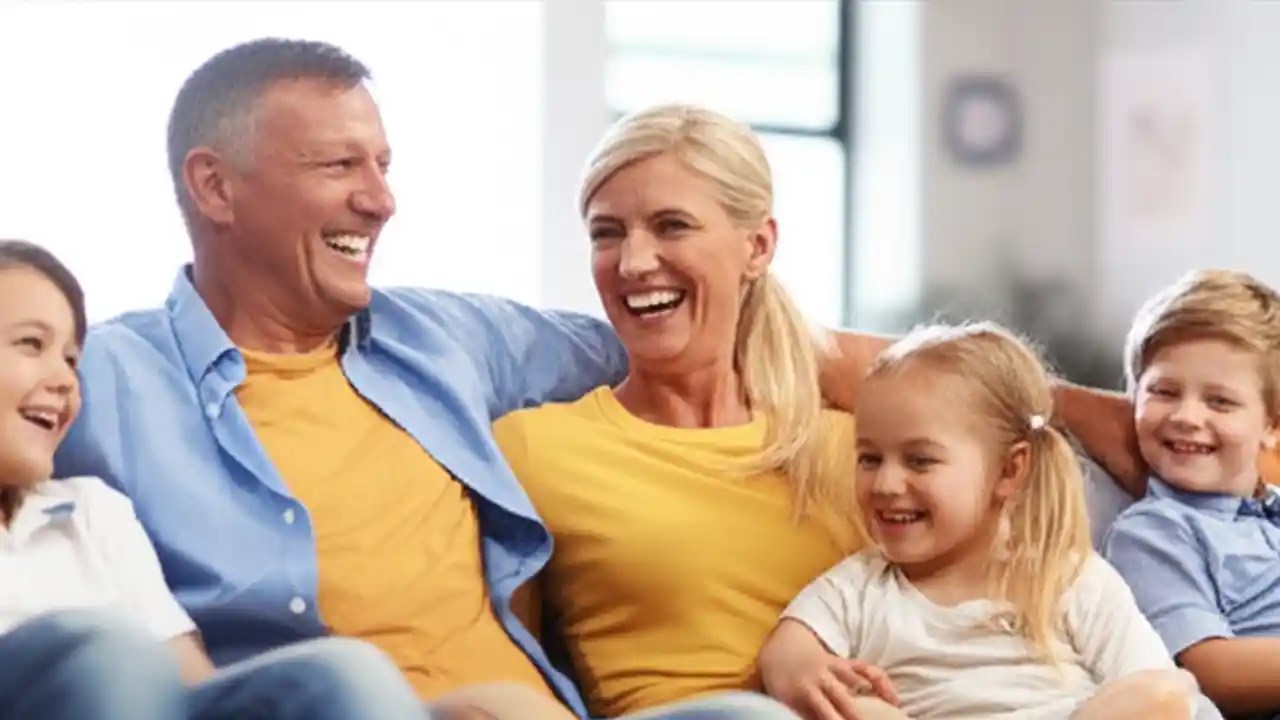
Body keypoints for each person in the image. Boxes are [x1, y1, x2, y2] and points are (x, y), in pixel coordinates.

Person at [52, 36, 1139, 719]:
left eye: (384, 166)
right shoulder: (102, 379)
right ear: (216, 186)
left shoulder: (442, 344)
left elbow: (722, 335)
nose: (382, 201)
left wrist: (1079, 410)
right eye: (340, 166)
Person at [492, 103, 862, 718]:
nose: (634, 263)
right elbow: (506, 661)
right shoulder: (536, 450)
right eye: (607, 233)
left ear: (758, 246)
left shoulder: (852, 450)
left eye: (671, 226)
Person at [0, 239, 425, 720]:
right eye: (31, 344)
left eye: (72, 359)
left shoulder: (91, 511)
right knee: (106, 654)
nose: (65, 379)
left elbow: (192, 690)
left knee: (344, 672)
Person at [758, 322, 1210, 720]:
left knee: (1166, 691)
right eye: (870, 458)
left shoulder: (1067, 575)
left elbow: (1154, 687)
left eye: (919, 461)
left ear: (1010, 470)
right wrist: (801, 668)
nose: (887, 483)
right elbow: (785, 649)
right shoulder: (859, 588)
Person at [1103, 269, 1280, 718]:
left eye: (1219, 402)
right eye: (1163, 391)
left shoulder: (1270, 510)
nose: (1186, 415)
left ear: (1272, 426)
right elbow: (1212, 673)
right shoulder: (1153, 533)